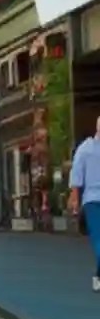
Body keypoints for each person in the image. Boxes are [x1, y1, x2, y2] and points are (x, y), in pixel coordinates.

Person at [67, 115, 100, 292]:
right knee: (98, 238)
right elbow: (77, 173)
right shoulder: (86, 149)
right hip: (93, 200)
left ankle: (98, 275)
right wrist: (74, 197)